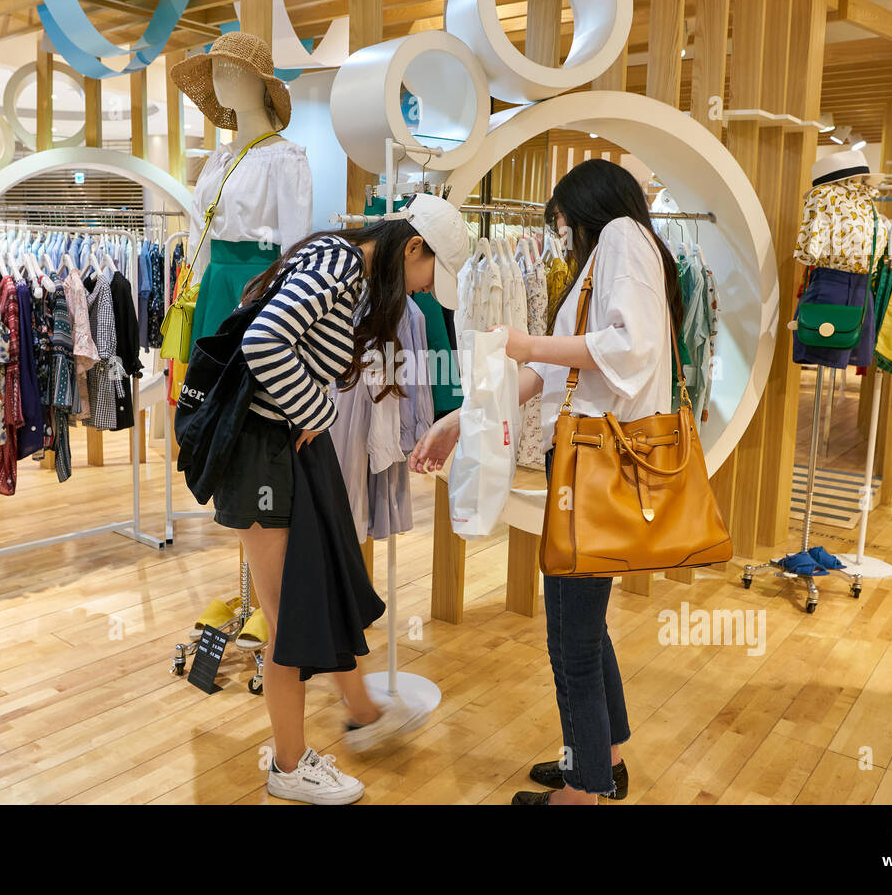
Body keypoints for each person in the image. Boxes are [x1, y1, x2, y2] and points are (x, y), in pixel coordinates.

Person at [410, 159, 685, 804]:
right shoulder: (622, 249)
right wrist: (460, 419)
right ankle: (601, 758)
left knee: (571, 633)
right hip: (591, 461)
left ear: (582, 208)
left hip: (595, 463)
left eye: (560, 221)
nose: (559, 235)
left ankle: (583, 788)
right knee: (583, 623)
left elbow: (626, 347)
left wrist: (527, 343)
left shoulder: (620, 239)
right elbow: (558, 376)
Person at [217, 193, 467, 805]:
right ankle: (290, 764)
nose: (426, 292)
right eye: (428, 274)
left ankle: (337, 721)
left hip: (281, 448)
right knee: (287, 622)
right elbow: (265, 343)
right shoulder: (339, 268)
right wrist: (320, 409)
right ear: (412, 248)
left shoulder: (344, 266)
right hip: (264, 453)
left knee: (316, 594)